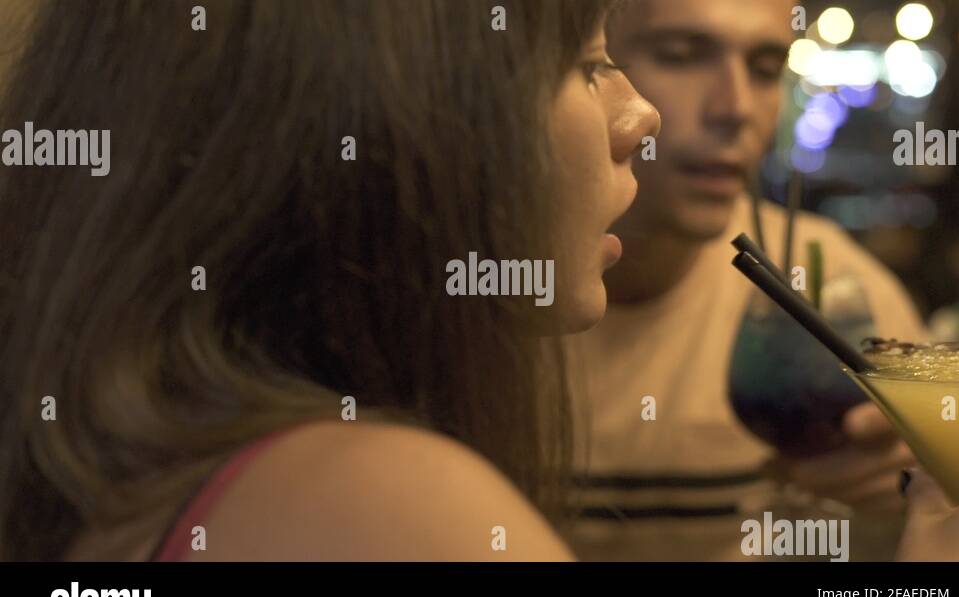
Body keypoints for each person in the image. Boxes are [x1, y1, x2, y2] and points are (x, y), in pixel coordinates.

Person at [0, 0, 659, 561]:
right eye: (587, 65)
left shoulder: (157, 471)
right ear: (389, 110)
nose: (640, 117)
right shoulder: (377, 508)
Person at [566, 0, 931, 561]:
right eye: (680, 56)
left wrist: (912, 487)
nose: (735, 108)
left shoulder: (838, 290)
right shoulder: (494, 294)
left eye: (764, 68)